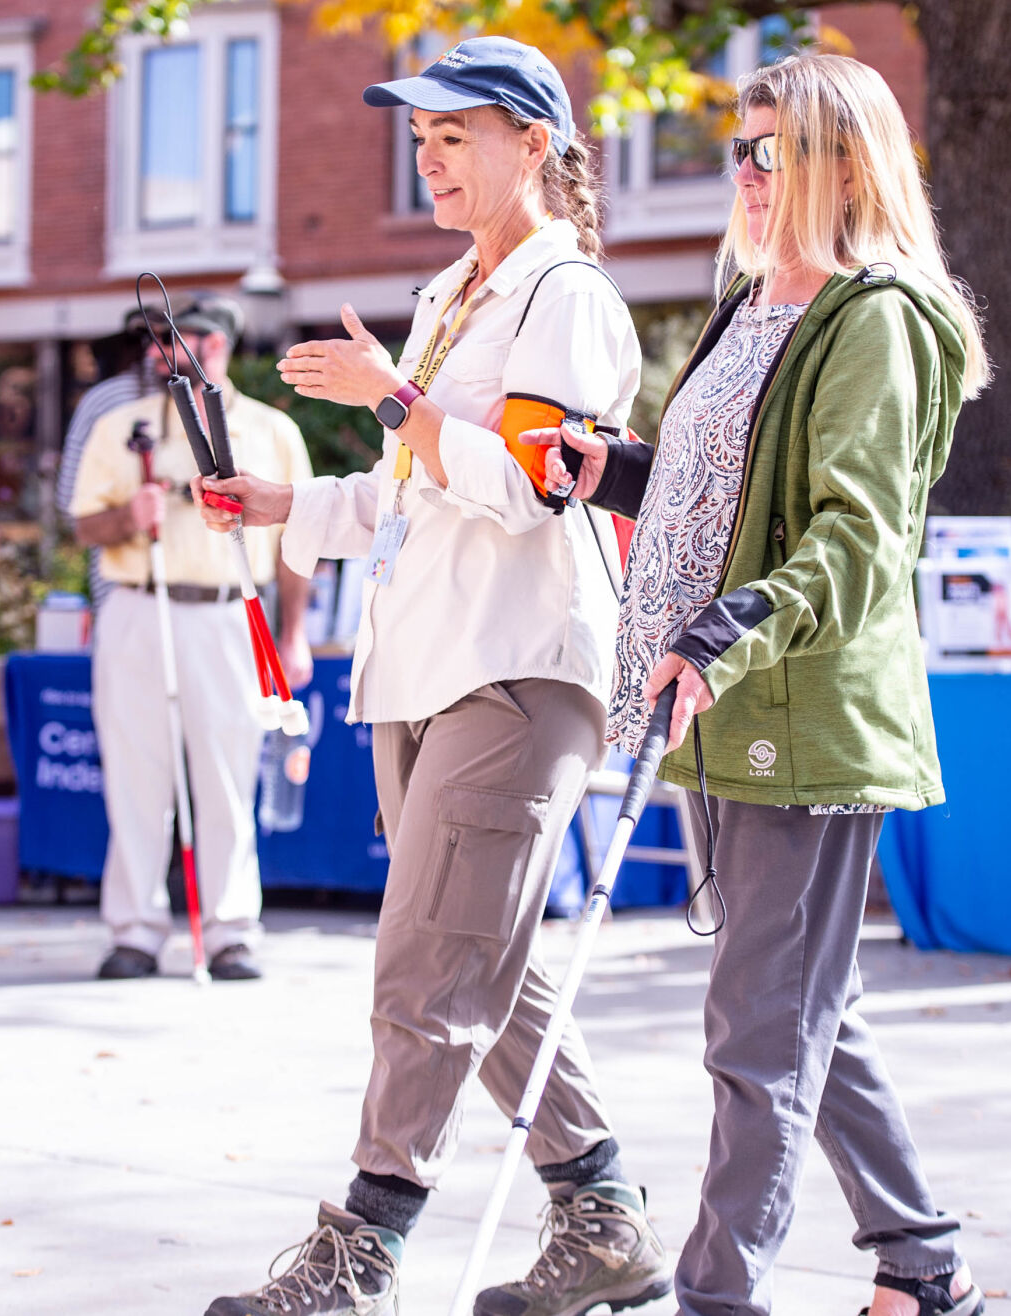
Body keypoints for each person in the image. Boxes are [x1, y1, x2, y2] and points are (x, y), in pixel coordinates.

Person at [193, 38, 669, 1316]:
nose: (429, 157)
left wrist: (393, 395)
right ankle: (602, 1218)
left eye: (453, 134)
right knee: (479, 968)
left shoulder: (564, 295)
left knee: (422, 975)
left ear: (533, 142)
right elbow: (413, 494)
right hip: (424, 669)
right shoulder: (454, 288)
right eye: (420, 139)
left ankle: (362, 1255)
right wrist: (287, 501)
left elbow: (525, 483)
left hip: (512, 670)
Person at [545, 53, 989, 1316]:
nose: (742, 173)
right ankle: (922, 1264)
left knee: (754, 1030)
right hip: (721, 694)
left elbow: (852, 534)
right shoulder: (747, 305)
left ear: (843, 165)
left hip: (796, 705)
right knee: (806, 1010)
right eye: (735, 149)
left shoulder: (873, 315)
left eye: (768, 150)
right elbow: (736, 496)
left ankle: (718, 1294)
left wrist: (730, 619)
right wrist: (615, 473)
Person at [69, 292, 313, 983]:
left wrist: (291, 635)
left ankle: (233, 929)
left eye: (193, 340)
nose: (173, 352)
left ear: (221, 348)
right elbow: (86, 523)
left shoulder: (269, 431)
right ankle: (136, 929)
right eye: (167, 341)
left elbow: (301, 541)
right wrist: (128, 515)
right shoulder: (124, 424)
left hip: (228, 611)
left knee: (229, 770)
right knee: (136, 772)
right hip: (140, 607)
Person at [57, 308, 153, 615]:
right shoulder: (201, 400)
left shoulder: (100, 400)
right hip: (197, 588)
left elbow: (68, 499)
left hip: (118, 585)